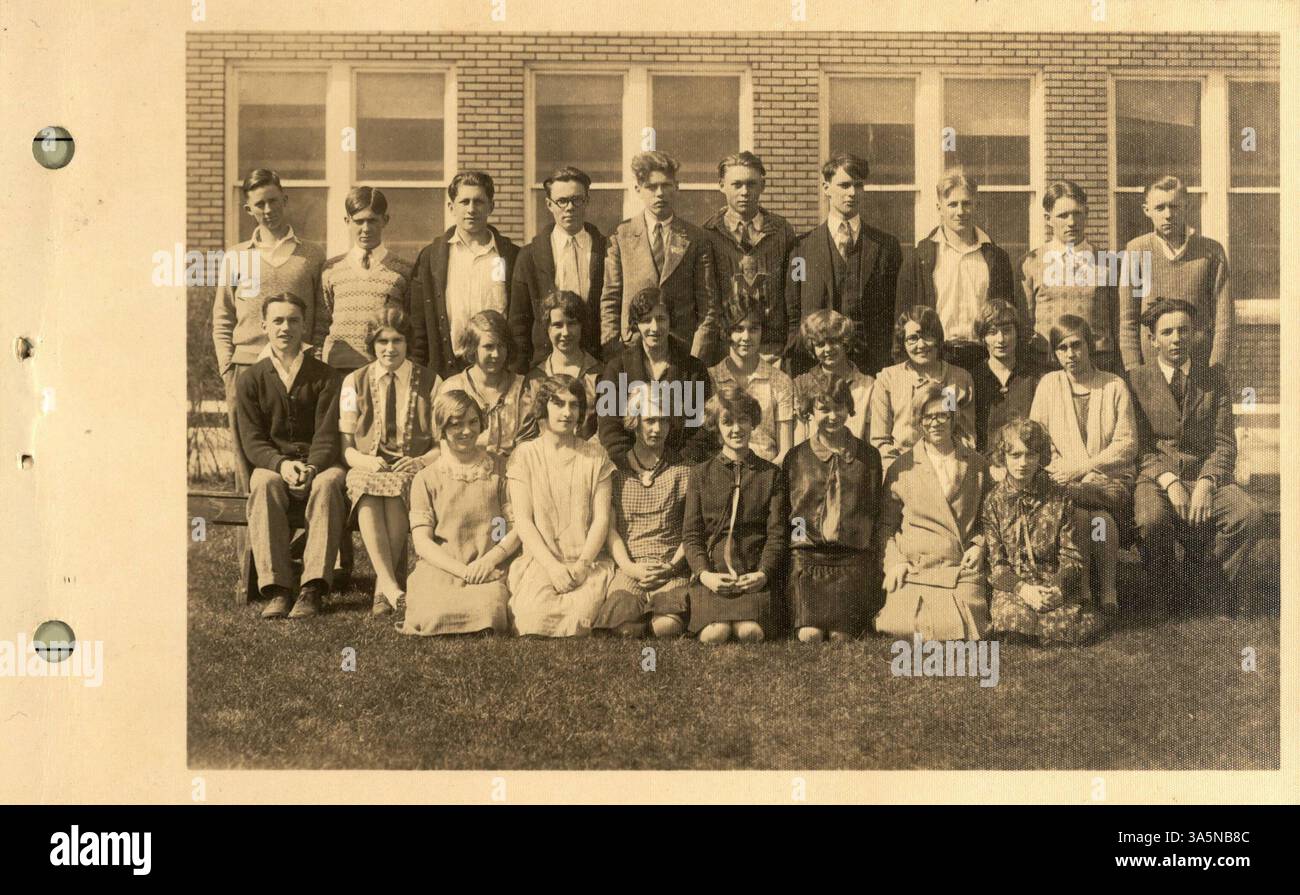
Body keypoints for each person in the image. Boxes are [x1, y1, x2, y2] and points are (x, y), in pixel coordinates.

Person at [1127, 299, 1262, 616]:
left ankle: (1208, 582)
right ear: (1153, 339)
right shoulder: (1136, 381)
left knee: (1249, 515)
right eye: (1168, 332)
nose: (1176, 339)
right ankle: (1167, 592)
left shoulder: (1213, 378)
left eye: (1184, 331)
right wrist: (1169, 480)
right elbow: (1139, 446)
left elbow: (1224, 441)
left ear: (1195, 335)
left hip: (1204, 474)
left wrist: (1207, 481)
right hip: (1157, 477)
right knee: (1150, 519)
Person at [213, 168, 326, 494]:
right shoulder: (236, 256)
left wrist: (312, 362)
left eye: (274, 201)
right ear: (249, 210)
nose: (268, 210)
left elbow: (321, 318)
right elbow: (223, 317)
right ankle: (248, 545)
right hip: (247, 368)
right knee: (247, 462)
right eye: (260, 204)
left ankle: (299, 542)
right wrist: (228, 369)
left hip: (298, 370)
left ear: (285, 201)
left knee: (298, 455)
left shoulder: (311, 255)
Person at [236, 293, 346, 620]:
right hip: (275, 466)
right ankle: (278, 588)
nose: (286, 328)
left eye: (294, 320)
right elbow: (252, 440)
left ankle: (312, 587)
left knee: (329, 484)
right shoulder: (251, 379)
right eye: (279, 321)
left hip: (320, 465)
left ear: (304, 325)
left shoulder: (326, 376)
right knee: (263, 482)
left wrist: (312, 467)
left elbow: (329, 434)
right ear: (265, 326)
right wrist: (281, 465)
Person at [1029, 314, 1137, 611]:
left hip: (1109, 480)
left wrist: (1085, 469)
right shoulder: (1049, 385)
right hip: (1066, 481)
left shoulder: (1113, 385)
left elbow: (1126, 444)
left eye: (1076, 345)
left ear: (1089, 346)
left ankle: (1105, 589)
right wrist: (1065, 472)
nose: (1070, 355)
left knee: (1092, 505)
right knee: (1089, 517)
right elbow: (1038, 439)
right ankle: (1092, 587)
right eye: (1062, 348)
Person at [338, 308, 439, 616]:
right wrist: (367, 463)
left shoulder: (432, 381)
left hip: (413, 466)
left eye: (397, 341)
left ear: (408, 344)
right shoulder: (352, 382)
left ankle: (383, 589)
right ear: (373, 345)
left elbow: (441, 444)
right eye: (382, 341)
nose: (390, 349)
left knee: (398, 486)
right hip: (369, 466)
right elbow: (347, 447)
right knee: (365, 485)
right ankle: (390, 587)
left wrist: (419, 462)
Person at [874, 383, 992, 641]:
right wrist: (895, 562)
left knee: (964, 629)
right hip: (915, 567)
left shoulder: (978, 465)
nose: (936, 422)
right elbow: (885, 526)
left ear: (953, 418)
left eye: (943, 415)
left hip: (959, 566)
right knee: (903, 627)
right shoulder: (901, 467)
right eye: (928, 416)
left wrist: (979, 546)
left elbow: (990, 521)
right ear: (919, 421)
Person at [399, 389, 520, 637]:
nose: (466, 431)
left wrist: (489, 560)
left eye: (473, 422)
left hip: (490, 565)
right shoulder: (426, 478)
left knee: (491, 611)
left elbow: (517, 526)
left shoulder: (499, 468)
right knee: (431, 614)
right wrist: (462, 571)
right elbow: (422, 542)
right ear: (442, 429)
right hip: (442, 566)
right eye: (456, 425)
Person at [507, 375, 618, 637]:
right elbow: (523, 520)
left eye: (574, 405)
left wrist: (582, 565)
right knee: (532, 620)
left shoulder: (596, 455)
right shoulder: (525, 455)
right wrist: (553, 568)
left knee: (580, 618)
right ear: (544, 406)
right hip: (542, 561)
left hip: (586, 562)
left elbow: (602, 519)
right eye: (558, 403)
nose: (567, 412)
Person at [682, 386, 791, 644]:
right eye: (727, 421)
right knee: (714, 634)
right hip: (714, 573)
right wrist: (705, 574)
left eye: (743, 419)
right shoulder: (700, 474)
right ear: (716, 427)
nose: (736, 429)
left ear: (753, 423)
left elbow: (777, 534)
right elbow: (691, 534)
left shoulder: (770, 474)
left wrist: (763, 573)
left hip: (753, 574)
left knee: (749, 632)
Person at [783, 375, 883, 642]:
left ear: (849, 408)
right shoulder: (797, 457)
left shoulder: (869, 457)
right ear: (810, 412)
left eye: (839, 407)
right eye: (823, 408)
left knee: (842, 636)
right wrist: (801, 546)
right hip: (808, 560)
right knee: (809, 635)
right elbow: (793, 511)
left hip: (850, 559)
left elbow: (872, 510)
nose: (832, 415)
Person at [983, 419, 1100, 644]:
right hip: (1015, 584)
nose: (1023, 463)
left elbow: (1072, 557)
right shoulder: (993, 502)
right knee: (1011, 618)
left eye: (1031, 455)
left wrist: (1056, 587)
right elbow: (996, 565)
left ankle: (1043, 628)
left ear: (1041, 457)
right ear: (1003, 457)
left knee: (1076, 623)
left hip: (1051, 579)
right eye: (1015, 455)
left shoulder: (1059, 497)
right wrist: (1023, 589)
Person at [600, 150, 721, 364]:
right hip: (633, 349)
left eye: (665, 185)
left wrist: (695, 357)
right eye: (651, 187)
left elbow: (708, 306)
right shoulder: (621, 235)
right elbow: (611, 298)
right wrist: (615, 352)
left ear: (676, 187)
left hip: (682, 352)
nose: (659, 194)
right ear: (638, 189)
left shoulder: (695, 238)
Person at [786, 153, 902, 377]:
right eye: (844, 185)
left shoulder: (886, 247)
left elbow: (894, 312)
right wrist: (797, 355)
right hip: (814, 366)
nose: (852, 193)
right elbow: (792, 312)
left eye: (858, 186)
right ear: (826, 187)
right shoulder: (801, 250)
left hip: (871, 368)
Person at [895, 169, 1017, 373]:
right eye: (952, 204)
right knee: (946, 406)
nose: (960, 211)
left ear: (976, 205)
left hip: (983, 359)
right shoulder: (919, 258)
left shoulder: (996, 258)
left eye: (966, 203)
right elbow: (902, 321)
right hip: (938, 358)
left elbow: (1007, 317)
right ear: (939, 207)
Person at [409, 171, 520, 378]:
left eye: (478, 201)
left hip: (499, 370)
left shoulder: (510, 256)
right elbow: (418, 324)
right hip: (447, 371)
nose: (471, 209)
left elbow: (520, 319)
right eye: (464, 202)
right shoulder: (431, 257)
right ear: (451, 207)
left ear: (491, 207)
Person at [604, 388, 693, 638]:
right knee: (624, 629)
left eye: (664, 420)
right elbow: (610, 531)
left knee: (666, 627)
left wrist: (671, 566)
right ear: (634, 422)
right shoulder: (615, 472)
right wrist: (630, 568)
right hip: (630, 568)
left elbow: (691, 531)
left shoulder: (684, 471)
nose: (657, 428)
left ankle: (658, 617)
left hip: (670, 568)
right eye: (649, 420)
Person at [1118, 176, 1230, 372]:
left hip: (1201, 368)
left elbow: (1224, 321)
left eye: (1175, 206)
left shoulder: (1211, 252)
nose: (1168, 214)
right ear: (1147, 210)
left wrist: (1216, 369)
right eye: (1160, 208)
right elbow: (1128, 321)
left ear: (1187, 207)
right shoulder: (1136, 250)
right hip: (1151, 370)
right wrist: (1135, 372)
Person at [596, 287, 712, 468]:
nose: (654, 328)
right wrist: (631, 463)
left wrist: (677, 466)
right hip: (629, 468)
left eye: (661, 319)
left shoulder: (693, 370)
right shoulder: (617, 369)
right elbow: (609, 428)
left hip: (680, 468)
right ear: (636, 324)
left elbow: (700, 429)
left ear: (671, 320)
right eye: (646, 320)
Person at [700, 151, 798, 364]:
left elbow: (795, 292)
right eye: (737, 184)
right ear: (721, 185)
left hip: (772, 351)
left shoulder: (783, 232)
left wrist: (787, 347)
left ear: (762, 186)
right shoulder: (708, 234)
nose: (744, 192)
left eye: (751, 184)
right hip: (724, 352)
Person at [509, 166, 607, 371]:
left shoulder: (607, 251)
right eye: (562, 201)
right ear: (549, 204)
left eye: (577, 200)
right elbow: (519, 323)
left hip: (596, 365)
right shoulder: (529, 256)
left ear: (587, 201)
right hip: (546, 366)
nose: (569, 208)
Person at [1018, 180, 1120, 373]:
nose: (1071, 223)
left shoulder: (1109, 263)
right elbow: (1025, 325)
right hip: (1047, 366)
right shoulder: (1030, 263)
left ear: (1087, 213)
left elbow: (1119, 324)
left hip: (1099, 365)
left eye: (1077, 214)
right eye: (1063, 216)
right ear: (1048, 218)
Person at [317, 187, 414, 376]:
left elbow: (409, 326)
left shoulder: (404, 270)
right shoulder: (331, 269)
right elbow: (321, 324)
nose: (366, 229)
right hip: (337, 367)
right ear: (347, 221)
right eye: (359, 221)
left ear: (385, 220)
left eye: (372, 220)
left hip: (384, 367)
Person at [870, 305, 976, 474]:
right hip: (904, 470)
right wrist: (900, 475)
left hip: (949, 468)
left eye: (927, 336)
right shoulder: (888, 380)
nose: (921, 345)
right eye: (912, 338)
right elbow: (880, 441)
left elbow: (966, 437)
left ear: (938, 338)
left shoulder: (957, 379)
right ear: (903, 342)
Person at [437, 309, 537, 459]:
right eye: (488, 347)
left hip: (512, 473)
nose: (496, 354)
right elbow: (443, 445)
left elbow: (528, 445)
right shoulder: (452, 388)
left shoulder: (523, 389)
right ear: (473, 348)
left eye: (501, 346)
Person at [708, 289, 794, 463]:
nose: (746, 337)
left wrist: (764, 480)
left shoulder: (780, 381)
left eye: (753, 329)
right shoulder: (710, 378)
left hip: (767, 475)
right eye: (739, 329)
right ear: (727, 332)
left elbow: (786, 451)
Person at [524, 291, 602, 441]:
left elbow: (606, 432)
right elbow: (526, 436)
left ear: (581, 325)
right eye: (558, 325)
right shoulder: (534, 379)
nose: (565, 332)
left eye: (572, 323)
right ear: (548, 328)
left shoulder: (600, 375)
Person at [791, 309, 875, 445]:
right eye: (820, 344)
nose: (828, 349)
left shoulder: (868, 385)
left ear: (845, 342)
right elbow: (799, 443)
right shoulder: (801, 384)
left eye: (834, 341)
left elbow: (871, 442)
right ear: (812, 347)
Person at [970, 299, 1039, 455]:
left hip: (1025, 463)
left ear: (1017, 333)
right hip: (984, 465)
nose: (1000, 339)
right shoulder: (969, 379)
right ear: (982, 338)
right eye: (992, 332)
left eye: (1007, 331)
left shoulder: (1035, 378)